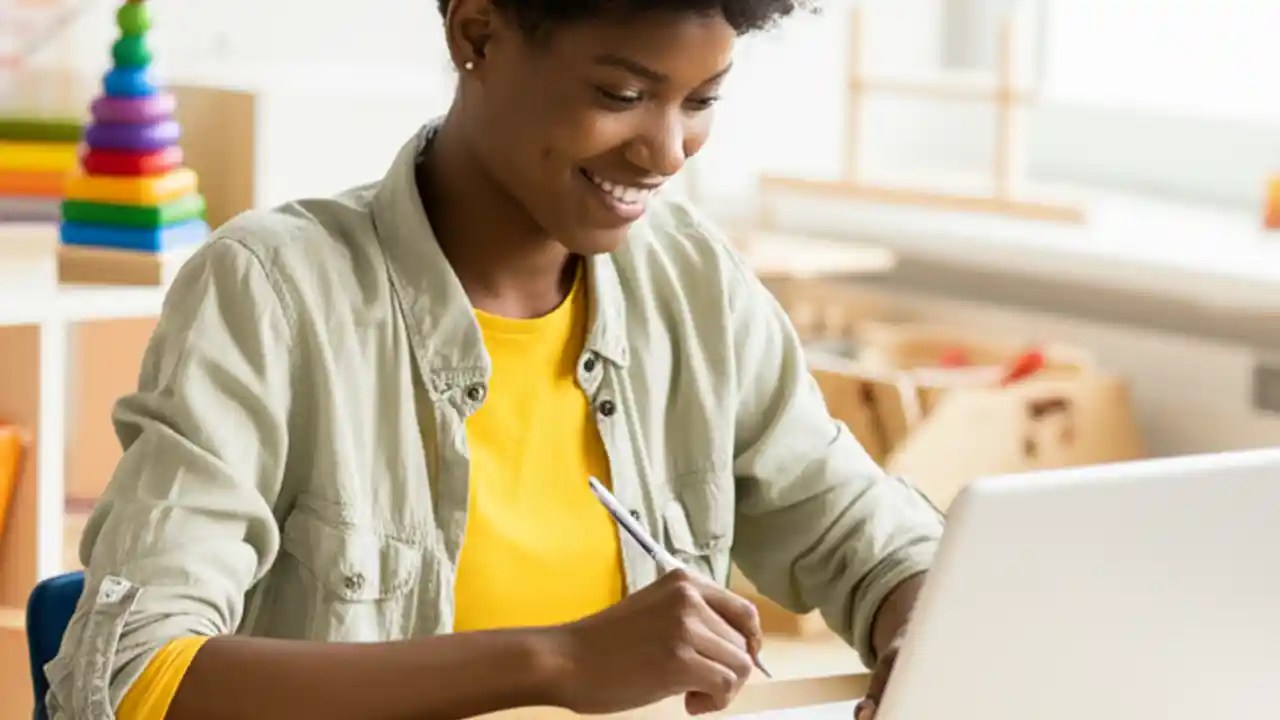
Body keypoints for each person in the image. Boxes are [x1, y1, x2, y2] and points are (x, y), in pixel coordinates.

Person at [47, 1, 943, 718]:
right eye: (622, 95)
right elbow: (128, 679)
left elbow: (860, 536)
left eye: (700, 101)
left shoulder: (693, 281)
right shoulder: (273, 293)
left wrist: (927, 630)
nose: (667, 151)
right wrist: (555, 660)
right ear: (477, 33)